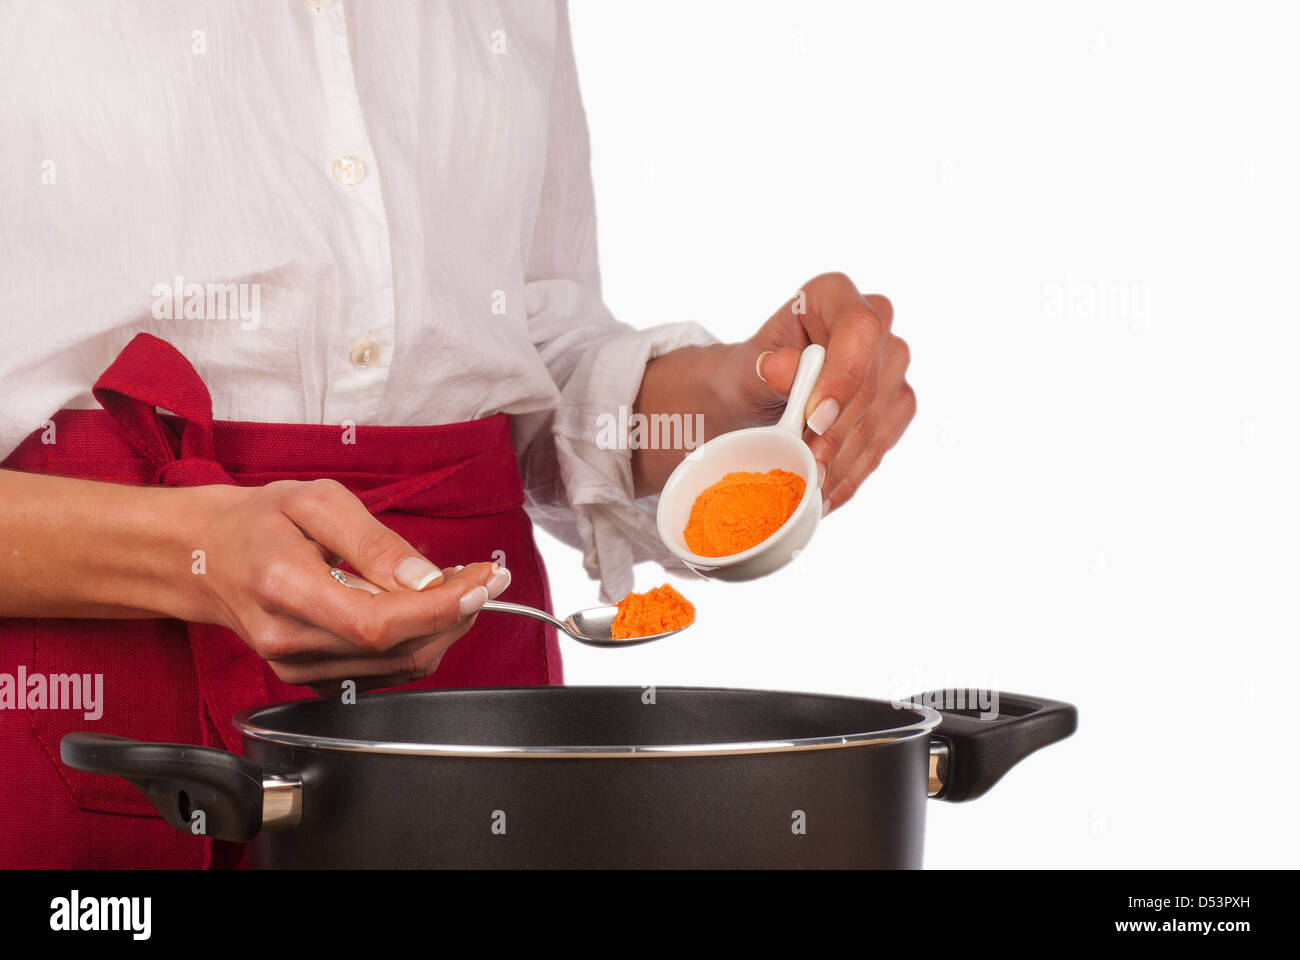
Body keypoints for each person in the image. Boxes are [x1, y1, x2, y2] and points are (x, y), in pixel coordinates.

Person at [0, 1, 914, 868]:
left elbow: (518, 349)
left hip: (467, 728)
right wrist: (190, 554)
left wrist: (730, 397)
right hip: (88, 716)